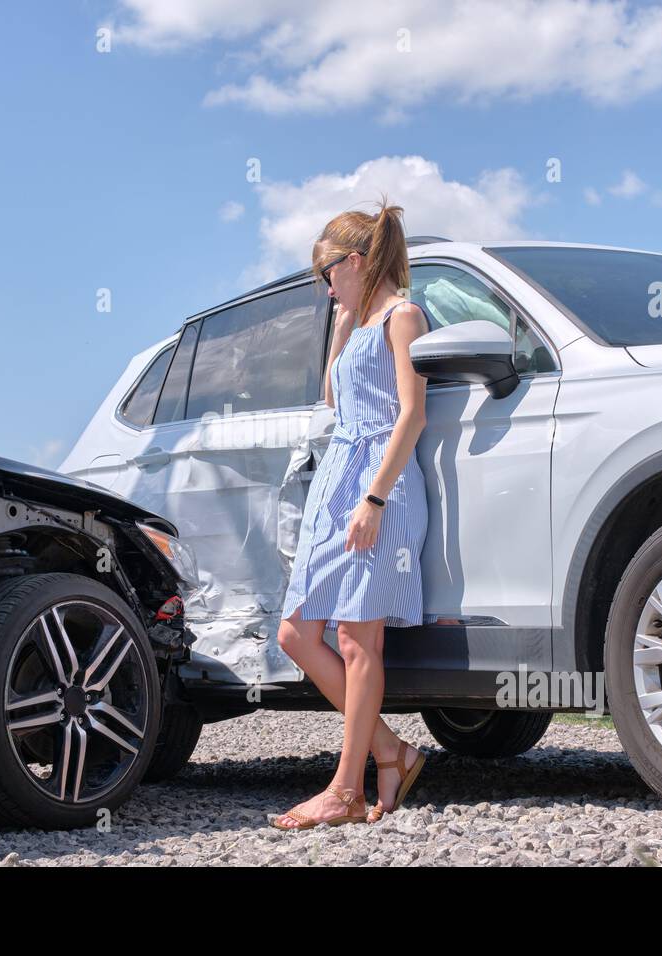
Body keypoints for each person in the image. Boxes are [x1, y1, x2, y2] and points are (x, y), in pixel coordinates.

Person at [271, 198, 432, 829]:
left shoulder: (403, 316)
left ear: (355, 261)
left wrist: (374, 499)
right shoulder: (361, 322)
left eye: (327, 271)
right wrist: (341, 327)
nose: (324, 284)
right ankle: (390, 751)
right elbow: (335, 399)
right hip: (337, 477)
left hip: (377, 484)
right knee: (295, 633)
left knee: (355, 638)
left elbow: (411, 415)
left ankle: (346, 788)